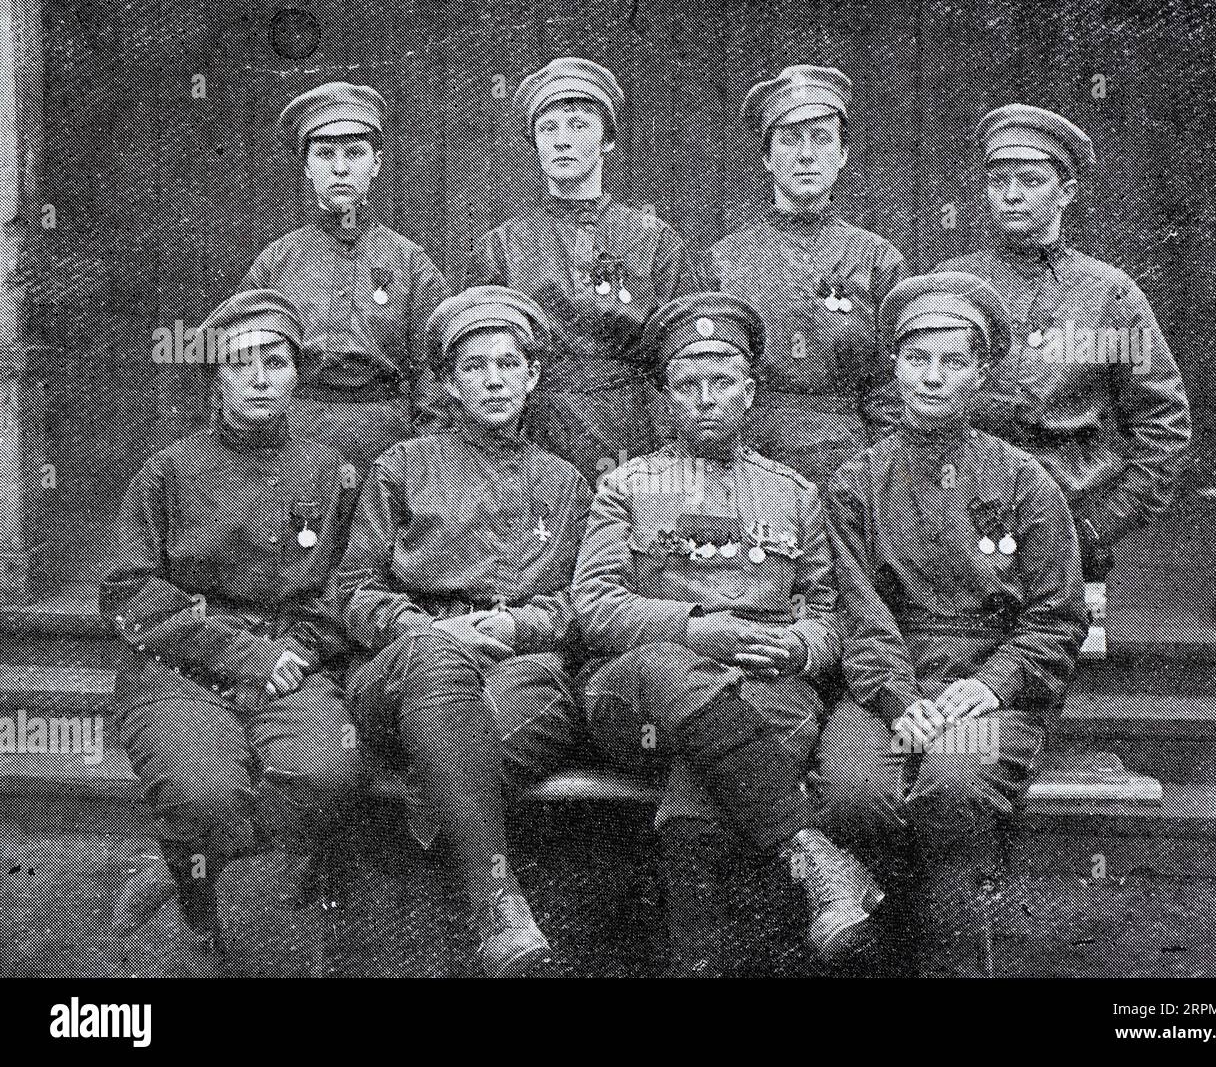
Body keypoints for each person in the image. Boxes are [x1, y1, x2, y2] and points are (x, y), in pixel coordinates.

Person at [567, 291, 886, 974]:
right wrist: (698, 631)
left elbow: (827, 613)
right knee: (668, 668)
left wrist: (802, 646)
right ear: (665, 397)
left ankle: (700, 965)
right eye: (687, 385)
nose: (706, 399)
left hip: (762, 694)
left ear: (751, 391)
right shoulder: (627, 487)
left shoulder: (793, 494)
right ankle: (812, 852)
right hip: (637, 703)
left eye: (722, 382)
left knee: (706, 774)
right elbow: (594, 603)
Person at [817, 272, 1089, 976]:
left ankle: (953, 962)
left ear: (981, 372)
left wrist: (992, 685)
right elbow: (856, 610)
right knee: (853, 792)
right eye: (917, 359)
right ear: (894, 365)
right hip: (887, 678)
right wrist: (897, 698)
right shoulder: (855, 482)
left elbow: (1057, 617)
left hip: (985, 684)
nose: (933, 377)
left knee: (954, 786)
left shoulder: (1025, 481)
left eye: (953, 361)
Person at [333, 286, 594, 976]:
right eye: (475, 367)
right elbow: (353, 590)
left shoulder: (564, 482)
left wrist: (513, 622)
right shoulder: (401, 467)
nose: (495, 380)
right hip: (405, 660)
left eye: (509, 364)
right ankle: (495, 902)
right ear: (448, 383)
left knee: (469, 746)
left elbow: (580, 604)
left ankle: (448, 904)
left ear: (532, 377)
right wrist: (430, 630)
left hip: (519, 663)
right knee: (439, 676)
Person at [102, 290, 363, 973]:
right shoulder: (168, 471)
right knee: (203, 791)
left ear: (297, 373)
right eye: (240, 362)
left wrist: (293, 652)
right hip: (180, 665)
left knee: (327, 772)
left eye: (275, 362)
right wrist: (242, 655)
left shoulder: (332, 472)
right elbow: (128, 593)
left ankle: (201, 872)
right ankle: (198, 906)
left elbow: (348, 585)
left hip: (293, 661)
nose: (259, 378)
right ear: (216, 373)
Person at [936, 105, 1190, 641]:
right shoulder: (949, 287)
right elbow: (907, 407)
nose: (1011, 195)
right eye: (999, 181)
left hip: (1073, 527)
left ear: (1067, 191)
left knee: (1058, 666)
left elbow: (1163, 424)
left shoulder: (1109, 296)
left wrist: (1103, 523)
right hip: (960, 531)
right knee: (955, 666)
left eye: (1030, 181)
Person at [466, 58, 698, 483]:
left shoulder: (653, 237)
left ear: (607, 140)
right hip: (537, 427)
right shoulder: (501, 244)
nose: (562, 141)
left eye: (578, 126)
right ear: (534, 144)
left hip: (636, 421)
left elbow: (683, 352)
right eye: (548, 129)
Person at [702, 66, 908, 489]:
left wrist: (873, 469)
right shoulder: (724, 260)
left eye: (821, 138)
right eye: (790, 139)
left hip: (851, 458)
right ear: (766, 157)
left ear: (843, 154)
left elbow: (894, 382)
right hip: (748, 456)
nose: (806, 154)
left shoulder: (876, 258)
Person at [241, 82, 451, 471]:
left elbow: (435, 372)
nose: (340, 168)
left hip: (388, 437)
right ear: (307, 167)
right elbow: (240, 365)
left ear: (376, 164)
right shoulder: (275, 263)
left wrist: (422, 459)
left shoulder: (410, 262)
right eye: (325, 154)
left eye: (354, 153)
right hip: (296, 437)